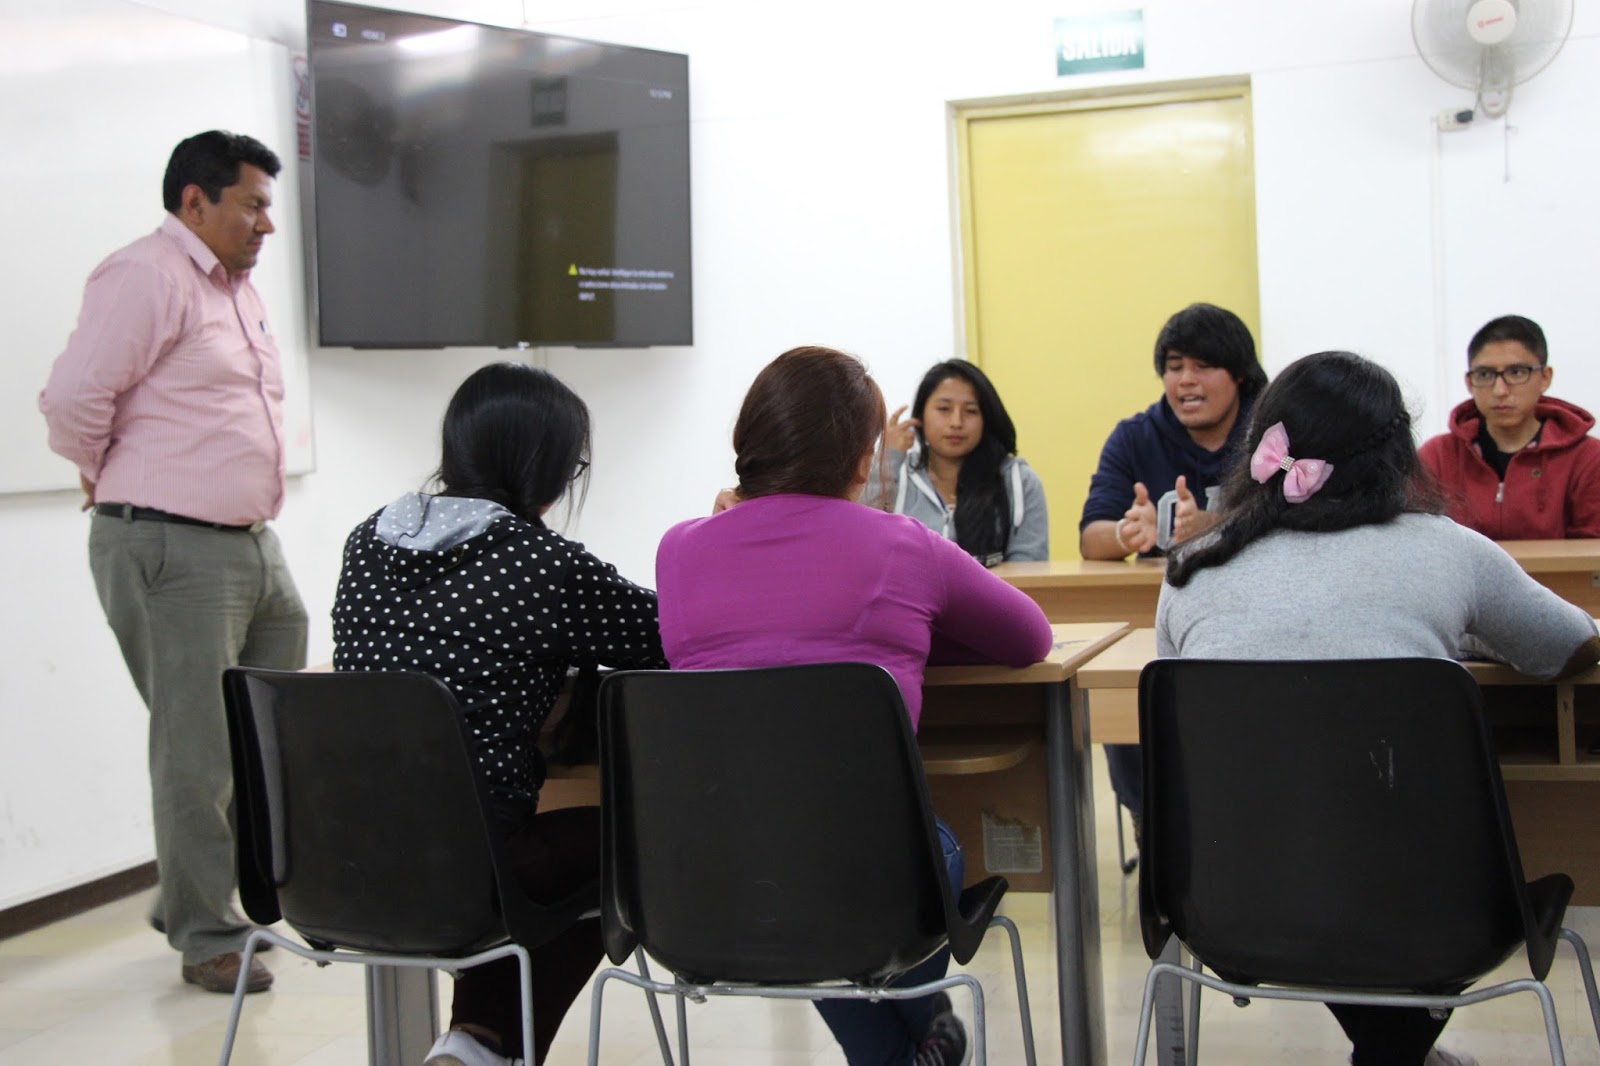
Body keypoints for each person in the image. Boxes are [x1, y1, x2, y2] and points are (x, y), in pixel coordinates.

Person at [1157, 350, 1600, 1066]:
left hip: (1231, 903)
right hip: (1428, 911)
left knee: (1320, 840)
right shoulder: (1450, 552)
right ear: (1396, 451)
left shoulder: (1191, 567)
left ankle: (1394, 1054)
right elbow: (1572, 646)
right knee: (1372, 856)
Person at [656, 345, 1054, 1066]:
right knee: (919, 856)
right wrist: (912, 637)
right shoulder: (902, 544)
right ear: (863, 459)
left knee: (800, 884)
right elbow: (1030, 637)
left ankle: (906, 1049)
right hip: (867, 881)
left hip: (704, 879)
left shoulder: (679, 549)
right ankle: (909, 1039)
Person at [331, 362, 665, 1066]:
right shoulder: (542, 564)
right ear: (543, 467)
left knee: (505, 854)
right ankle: (484, 1047)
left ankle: (476, 1044)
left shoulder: (366, 543)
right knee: (631, 835)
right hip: (470, 869)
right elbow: (674, 637)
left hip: (335, 858)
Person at [39, 130, 307, 995]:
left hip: (248, 544)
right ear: (195, 202)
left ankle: (190, 895)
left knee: (261, 729)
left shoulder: (237, 292)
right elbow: (74, 399)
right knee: (196, 750)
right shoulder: (146, 276)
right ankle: (205, 934)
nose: (267, 222)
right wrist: (102, 475)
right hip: (167, 541)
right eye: (253, 203)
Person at [1077, 302, 1267, 829]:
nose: (1185, 380)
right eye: (1174, 366)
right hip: (1166, 616)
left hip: (1261, 611)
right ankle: (1151, 823)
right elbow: (1091, 537)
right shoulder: (1135, 436)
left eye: (1203, 366)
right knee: (1129, 694)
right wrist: (1125, 533)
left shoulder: (1278, 433)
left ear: (1240, 374)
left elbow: (1307, 512)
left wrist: (1212, 526)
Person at [1418, 314, 1600, 540]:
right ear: (1469, 382)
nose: (1500, 390)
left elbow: (1591, 557)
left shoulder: (1588, 458)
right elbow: (1419, 540)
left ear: (1545, 377)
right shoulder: (1438, 456)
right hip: (1466, 576)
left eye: (1516, 373)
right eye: (1485, 375)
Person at [869, 359, 1048, 564]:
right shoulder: (898, 473)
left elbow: (1030, 570)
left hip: (992, 597)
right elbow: (860, 539)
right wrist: (887, 458)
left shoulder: (1019, 480)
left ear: (986, 419)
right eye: (944, 409)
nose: (956, 422)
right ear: (920, 415)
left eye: (970, 411)